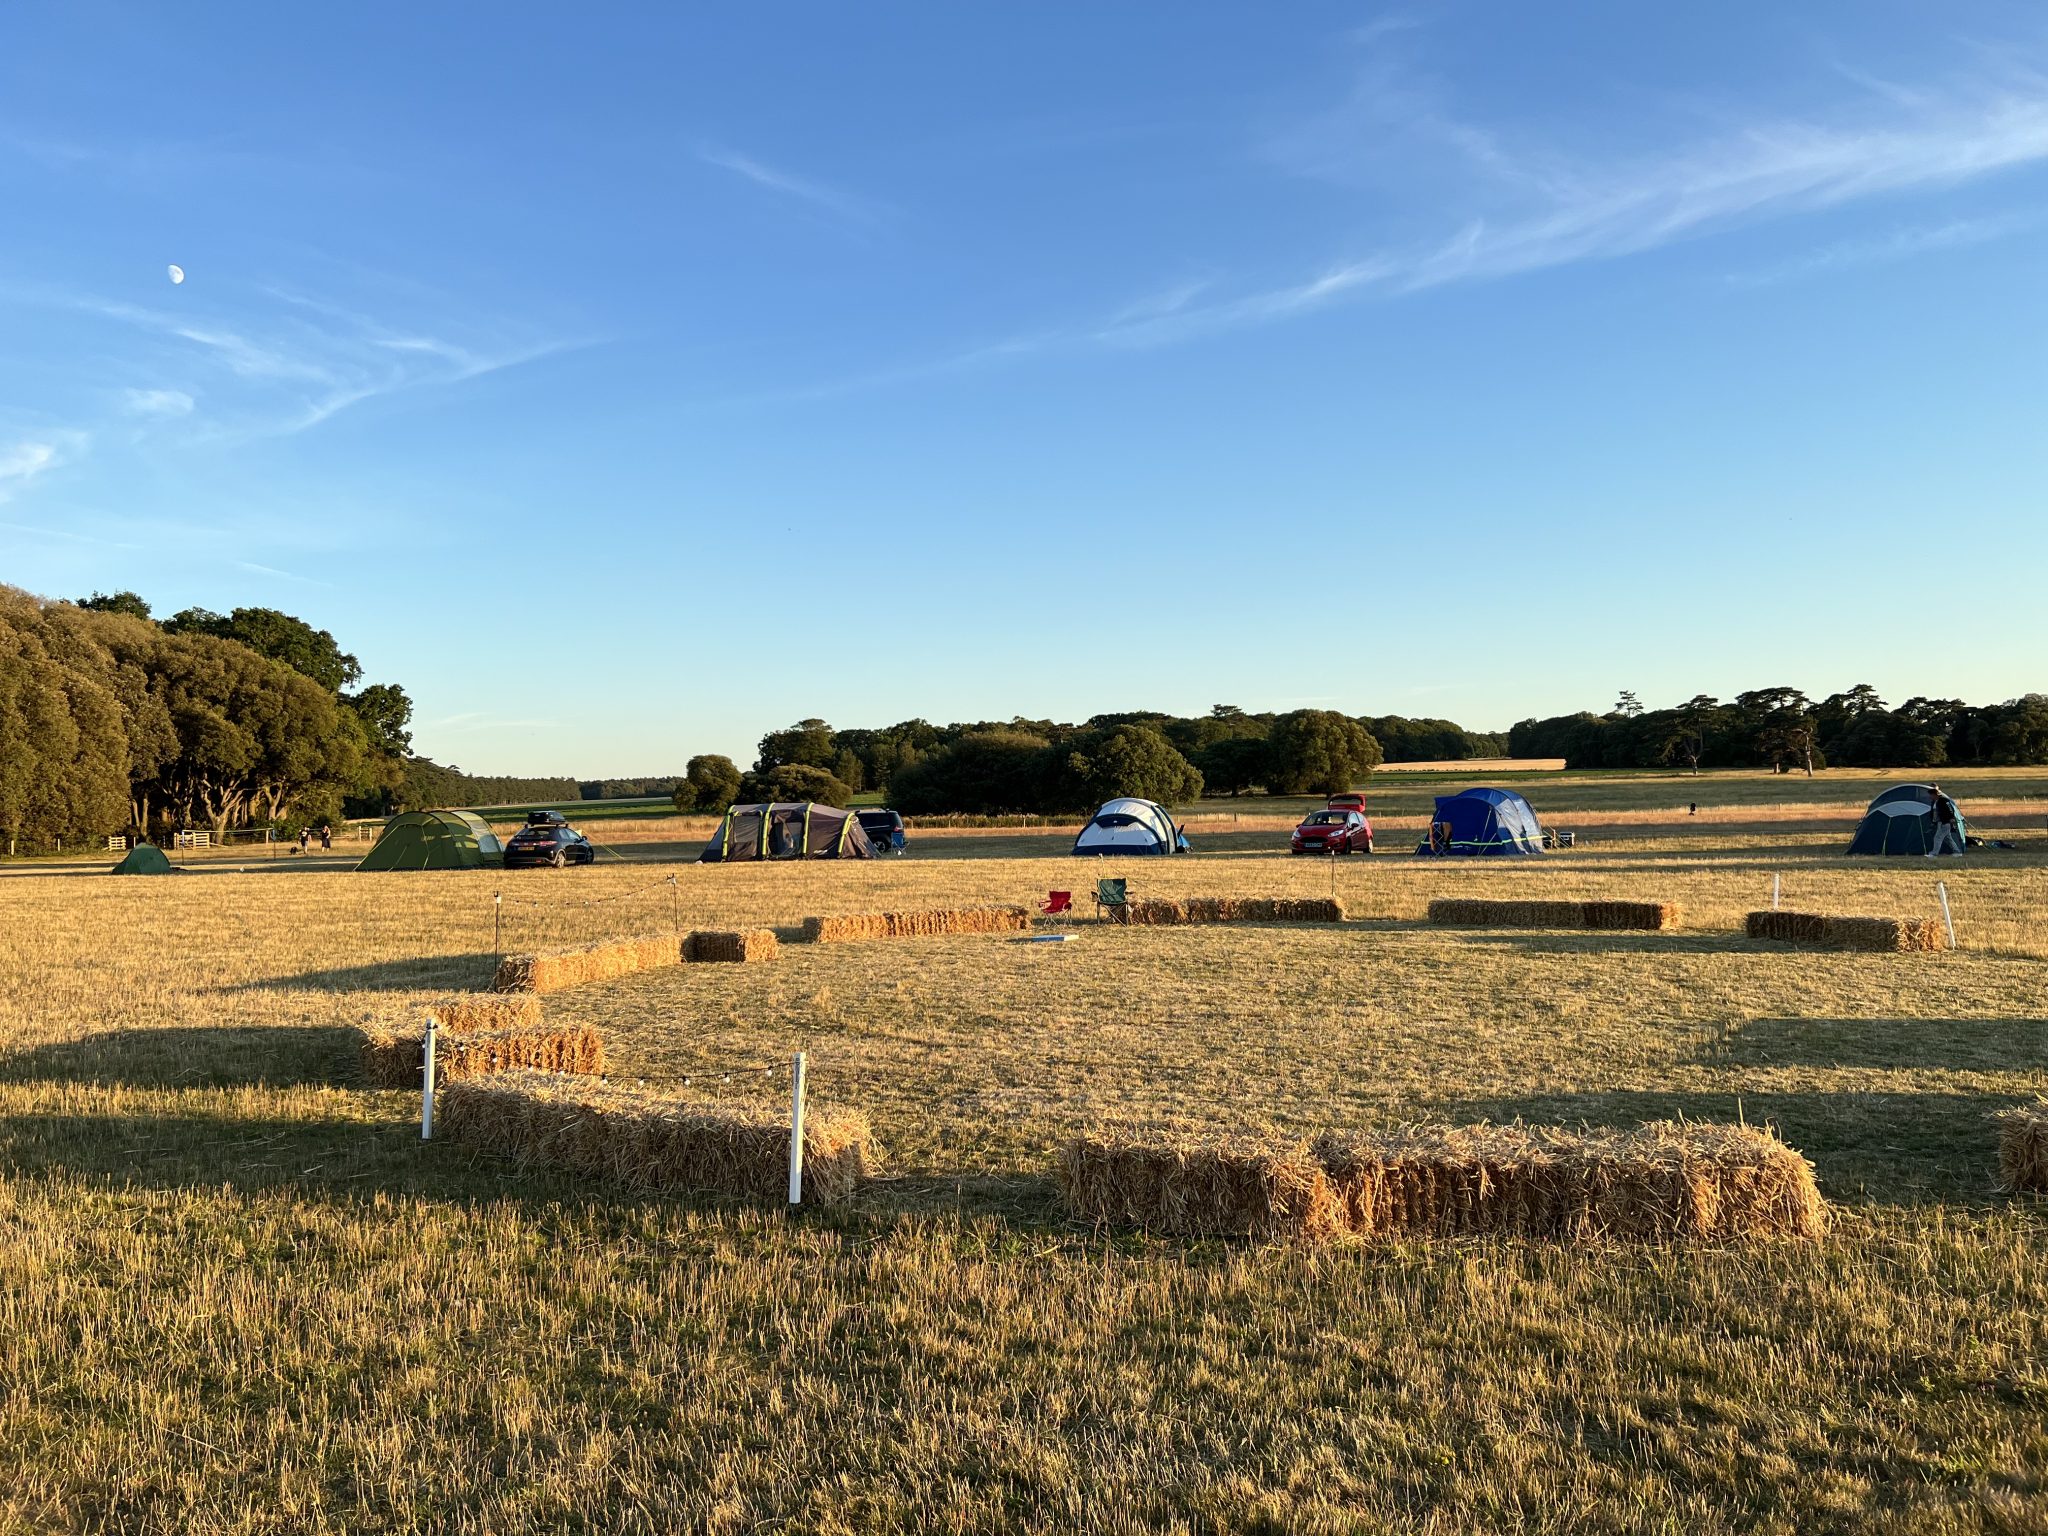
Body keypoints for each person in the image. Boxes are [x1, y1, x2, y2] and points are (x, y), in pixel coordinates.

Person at [1927, 785, 1961, 856]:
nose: (1930, 797)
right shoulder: (1934, 802)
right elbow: (1934, 813)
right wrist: (1933, 822)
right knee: (1948, 838)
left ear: (1934, 794)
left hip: (1945, 822)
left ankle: (1934, 853)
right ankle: (1957, 852)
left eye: (1930, 795)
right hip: (1940, 822)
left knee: (1937, 837)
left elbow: (1950, 809)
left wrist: (1951, 818)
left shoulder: (1943, 800)